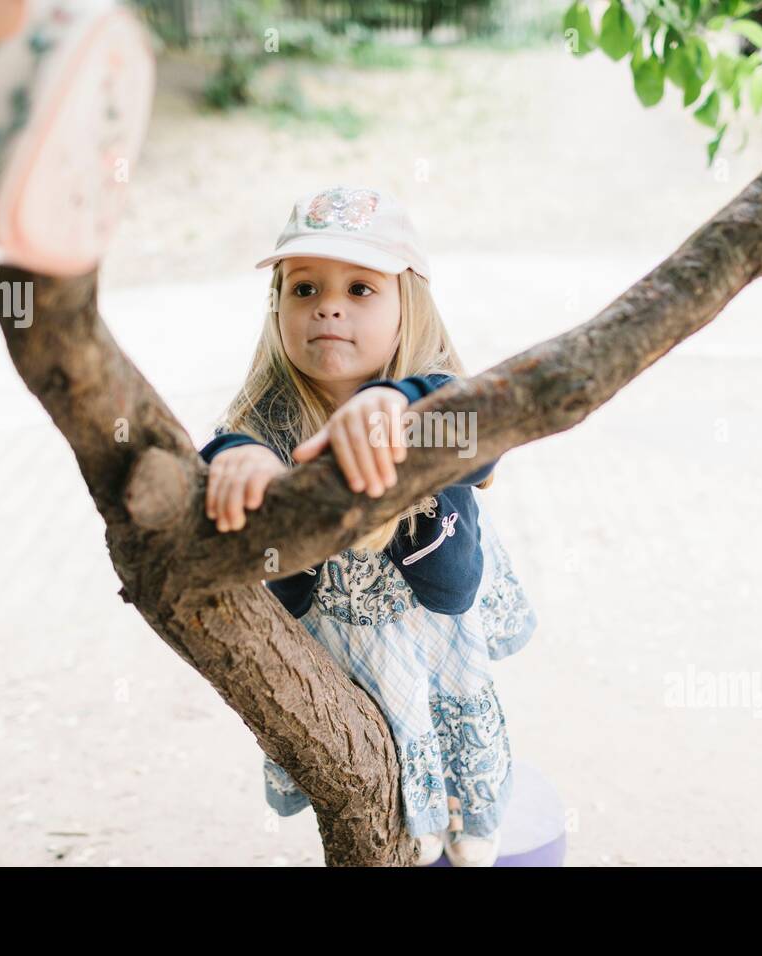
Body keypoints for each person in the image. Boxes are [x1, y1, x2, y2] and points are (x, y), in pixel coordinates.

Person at [199, 185, 536, 866]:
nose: (329, 304)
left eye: (360, 288)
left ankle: (465, 811)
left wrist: (393, 403)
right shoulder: (269, 417)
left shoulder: (429, 393)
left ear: (405, 307)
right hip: (339, 628)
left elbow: (486, 437)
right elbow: (223, 450)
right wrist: (238, 461)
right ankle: (402, 818)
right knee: (369, 740)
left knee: (450, 710)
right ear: (278, 309)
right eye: (304, 290)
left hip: (429, 617)